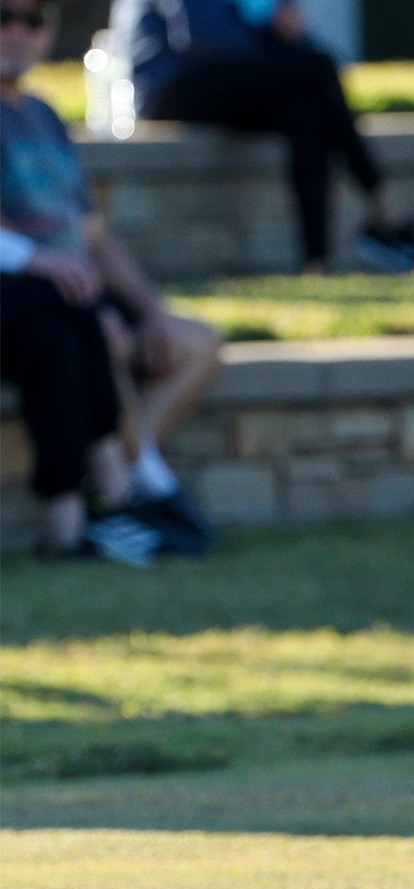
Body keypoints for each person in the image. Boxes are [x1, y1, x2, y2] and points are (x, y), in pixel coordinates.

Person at [2, 0, 213, 561]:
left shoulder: (44, 117)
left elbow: (93, 235)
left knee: (182, 341)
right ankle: (123, 491)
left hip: (57, 302)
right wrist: (34, 260)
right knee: (71, 318)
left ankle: (77, 520)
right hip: (33, 296)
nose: (18, 32)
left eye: (34, 20)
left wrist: (149, 310)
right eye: (3, 16)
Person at [111, 0, 414, 274]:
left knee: (305, 114)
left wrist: (288, 34)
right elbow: (201, 36)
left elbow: (274, 42)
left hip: (224, 80)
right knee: (317, 68)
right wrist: (277, 35)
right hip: (173, 86)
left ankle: (316, 265)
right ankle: (386, 210)